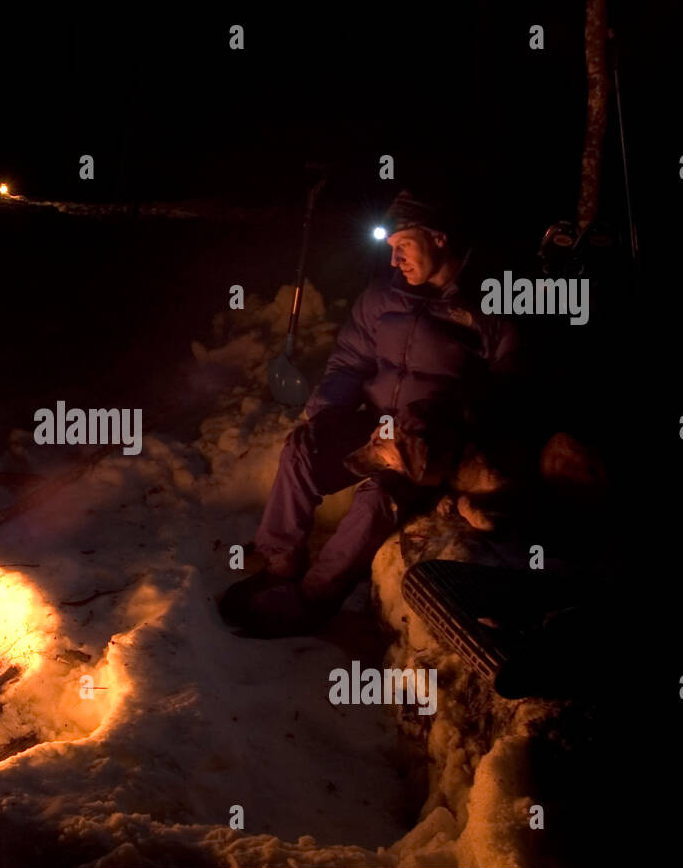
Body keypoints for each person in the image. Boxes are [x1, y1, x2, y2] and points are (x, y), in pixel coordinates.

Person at [219, 188, 521, 638]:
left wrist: (453, 428)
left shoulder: (490, 306)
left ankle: (316, 596)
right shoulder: (382, 298)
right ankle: (282, 563)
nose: (395, 261)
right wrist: (325, 414)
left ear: (438, 238)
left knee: (378, 496)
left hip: (431, 444)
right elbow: (349, 362)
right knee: (303, 449)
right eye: (390, 251)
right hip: (378, 423)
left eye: (403, 246)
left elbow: (510, 390)